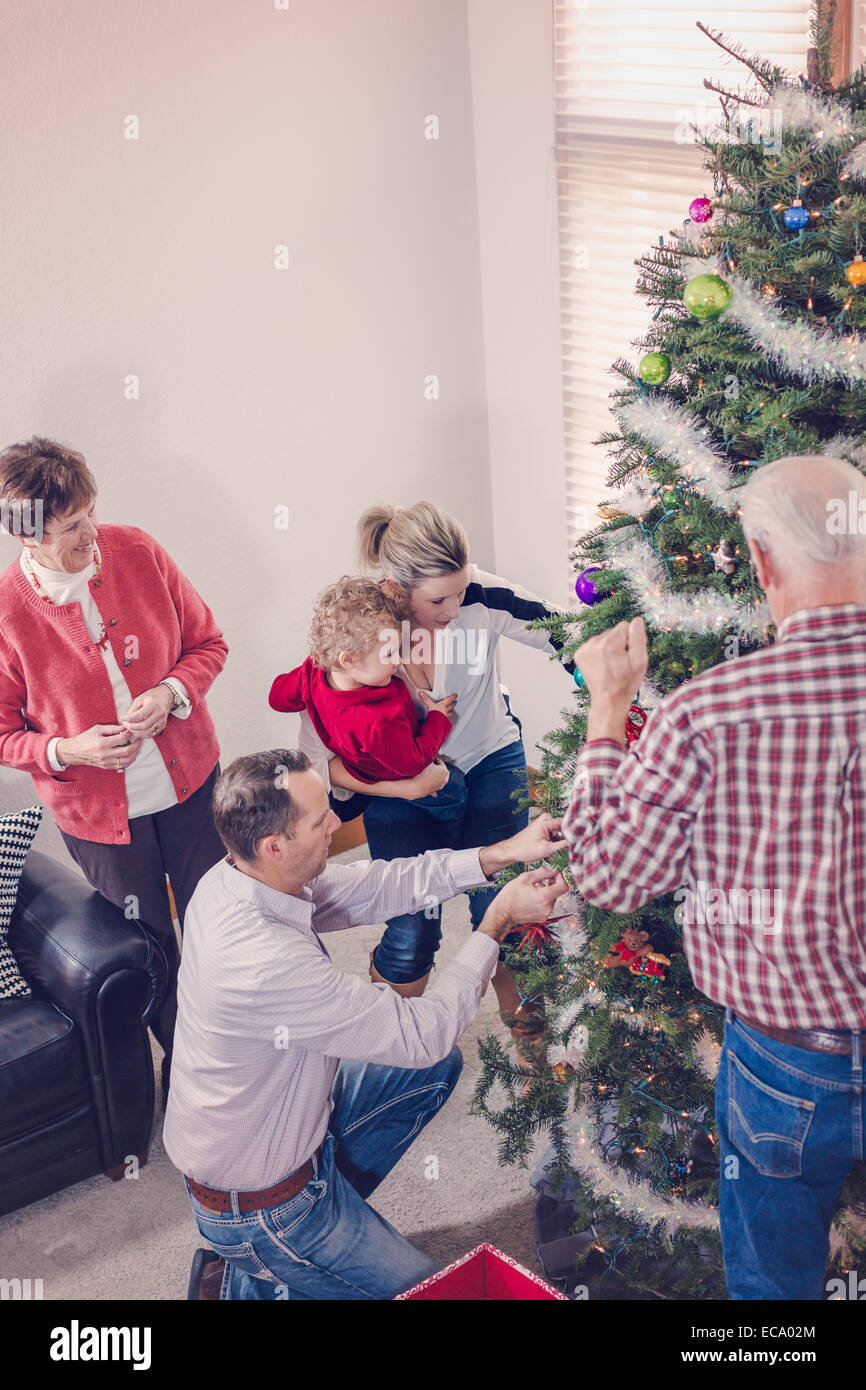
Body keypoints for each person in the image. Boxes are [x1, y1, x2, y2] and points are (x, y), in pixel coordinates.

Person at [561, 454, 866, 1301]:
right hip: (785, 1051)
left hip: (782, 1061)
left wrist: (607, 711)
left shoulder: (707, 710)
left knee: (774, 1287)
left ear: (763, 563)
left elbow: (610, 877)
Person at [163, 748, 567, 1300]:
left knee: (430, 1071)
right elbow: (423, 1032)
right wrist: (495, 922)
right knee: (439, 1294)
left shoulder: (236, 874)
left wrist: (499, 854)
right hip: (268, 1206)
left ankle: (270, 1274)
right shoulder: (262, 962)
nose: (337, 821)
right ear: (274, 846)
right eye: (319, 819)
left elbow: (376, 887)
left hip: (288, 1138)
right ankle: (253, 1267)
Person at [299, 501, 574, 1076]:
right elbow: (319, 761)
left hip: (491, 760)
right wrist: (403, 789)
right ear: (397, 590)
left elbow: (567, 633)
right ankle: (388, 1064)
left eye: (461, 591)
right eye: (438, 600)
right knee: (411, 928)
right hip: (402, 789)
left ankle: (535, 1062)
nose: (456, 608)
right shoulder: (357, 630)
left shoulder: (482, 597)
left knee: (505, 910)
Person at [0, 437, 228, 1095]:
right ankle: (200, 1083)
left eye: (90, 513)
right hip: (99, 817)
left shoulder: (137, 551)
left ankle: (260, 1056)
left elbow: (209, 643)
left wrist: (171, 693)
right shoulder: (9, 612)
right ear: (29, 537)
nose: (90, 533)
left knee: (223, 923)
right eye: (71, 527)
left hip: (190, 784)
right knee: (150, 953)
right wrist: (68, 750)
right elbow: (5, 731)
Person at [268, 574, 466, 824]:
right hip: (393, 774)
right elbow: (414, 763)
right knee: (454, 788)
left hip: (358, 769)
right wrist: (437, 719)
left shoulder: (313, 672)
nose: (399, 661)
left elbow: (277, 698)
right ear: (348, 659)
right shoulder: (374, 719)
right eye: (389, 654)